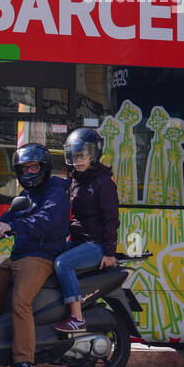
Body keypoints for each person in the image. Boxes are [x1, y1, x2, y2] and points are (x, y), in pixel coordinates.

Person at [0, 143, 71, 367]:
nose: (29, 172)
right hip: (19, 255)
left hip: (42, 255)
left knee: (20, 301)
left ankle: (24, 364)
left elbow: (46, 219)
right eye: (24, 168)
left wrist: (14, 227)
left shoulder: (56, 192)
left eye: (33, 167)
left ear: (44, 167)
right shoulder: (25, 196)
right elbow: (7, 218)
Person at [53, 128, 119, 334]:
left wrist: (109, 252)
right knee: (47, 251)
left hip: (96, 245)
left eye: (84, 155)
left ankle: (77, 318)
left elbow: (111, 219)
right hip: (79, 241)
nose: (78, 160)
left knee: (62, 263)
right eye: (75, 156)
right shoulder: (75, 180)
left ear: (94, 155)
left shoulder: (104, 182)